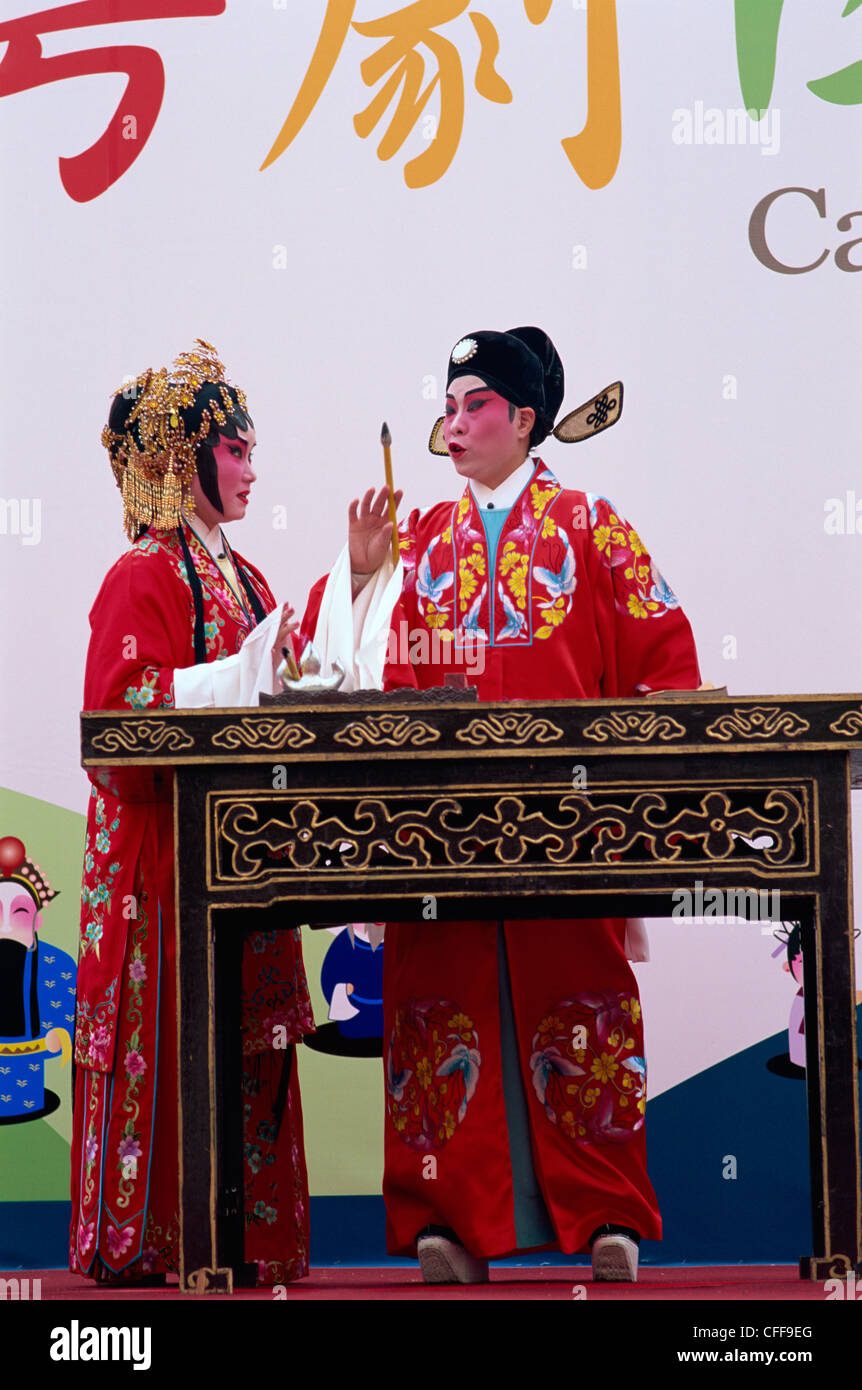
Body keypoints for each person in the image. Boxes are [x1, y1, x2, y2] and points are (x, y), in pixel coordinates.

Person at [300, 327, 702, 1283]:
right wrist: (361, 577)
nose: (454, 421)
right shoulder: (421, 543)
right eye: (446, 406)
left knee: (582, 1011)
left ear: (526, 420)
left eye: (473, 402)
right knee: (442, 1013)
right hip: (445, 834)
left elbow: (665, 661)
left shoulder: (593, 525)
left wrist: (645, 814)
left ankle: (608, 1215)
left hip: (572, 824)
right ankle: (449, 1223)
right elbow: (355, 677)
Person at [70, 341, 314, 1285]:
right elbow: (116, 723)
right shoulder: (142, 574)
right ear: (183, 458)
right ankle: (153, 1244)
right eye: (238, 449)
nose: (253, 467)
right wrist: (243, 677)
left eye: (252, 449)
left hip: (237, 859)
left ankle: (248, 1243)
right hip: (163, 868)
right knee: (168, 1039)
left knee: (247, 1044)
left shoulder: (241, 576)